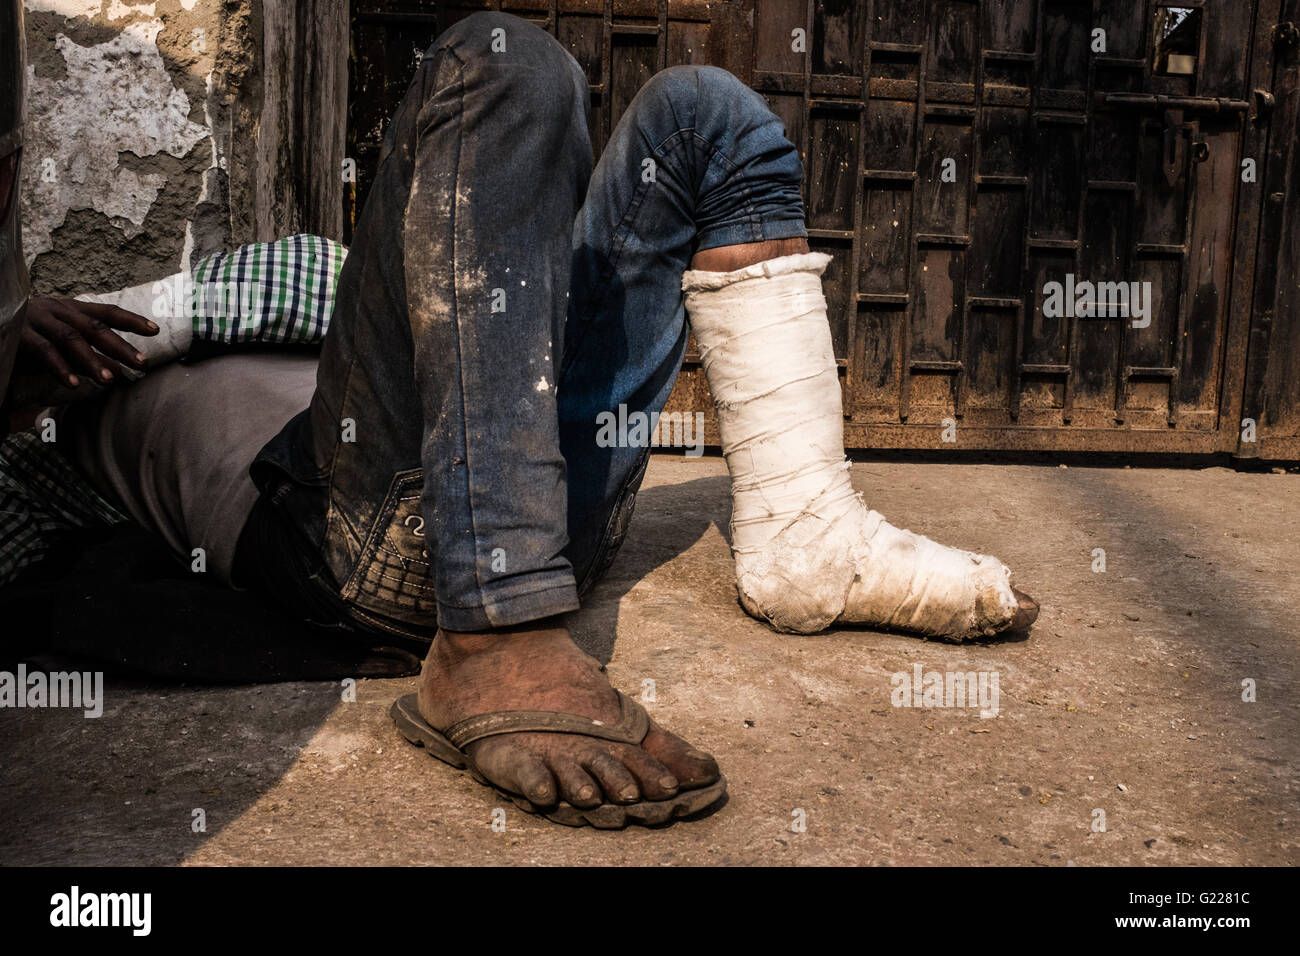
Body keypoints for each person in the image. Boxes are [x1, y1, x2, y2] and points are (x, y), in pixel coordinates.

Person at [2, 12, 1037, 829]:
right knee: (503, 60)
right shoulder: (54, 458)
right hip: (355, 537)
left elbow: (304, 275)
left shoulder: (219, 304)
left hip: (534, 497)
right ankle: (492, 638)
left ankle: (807, 536)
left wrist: (154, 320)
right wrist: (16, 364)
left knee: (702, 112)